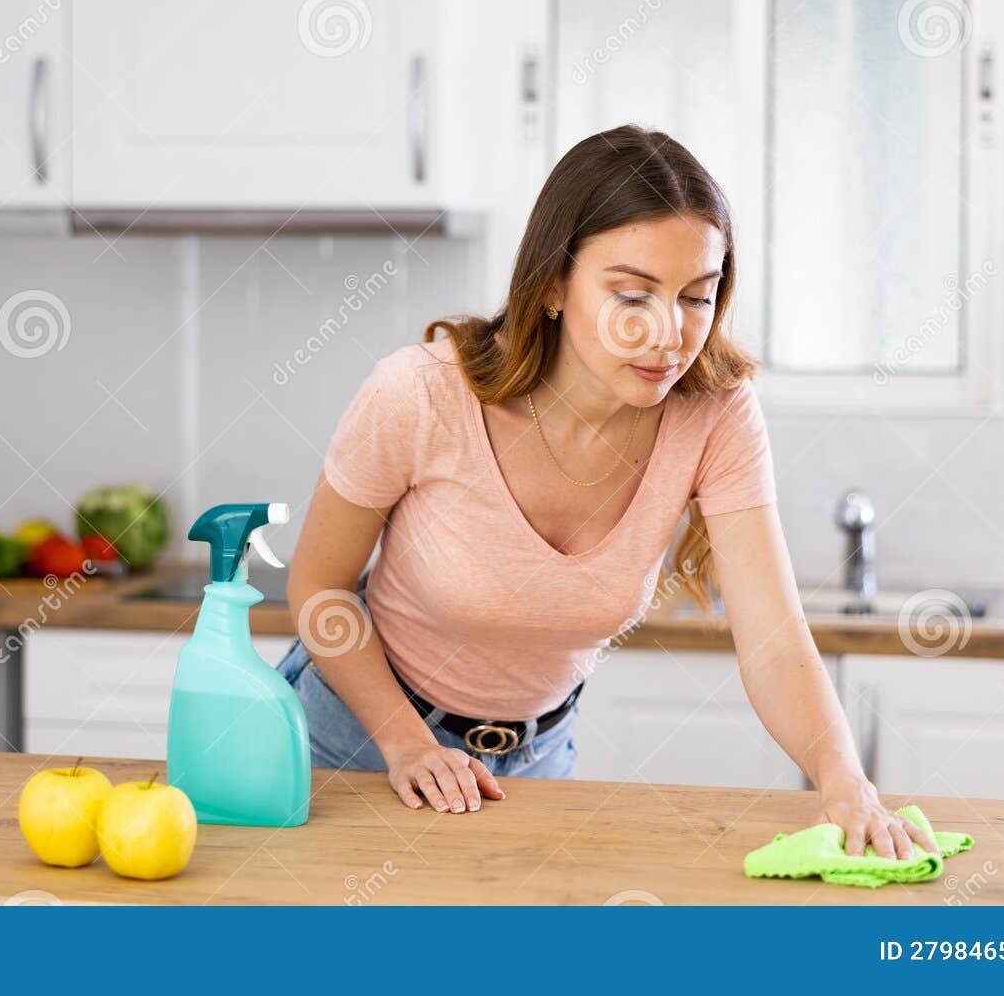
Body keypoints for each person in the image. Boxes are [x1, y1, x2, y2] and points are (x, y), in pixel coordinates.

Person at [279, 124, 937, 860]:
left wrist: (844, 780)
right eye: (632, 293)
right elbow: (318, 587)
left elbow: (776, 642)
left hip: (534, 763)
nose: (668, 334)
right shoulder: (423, 393)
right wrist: (405, 743)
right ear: (554, 284)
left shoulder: (715, 413)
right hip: (351, 746)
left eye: (697, 296)